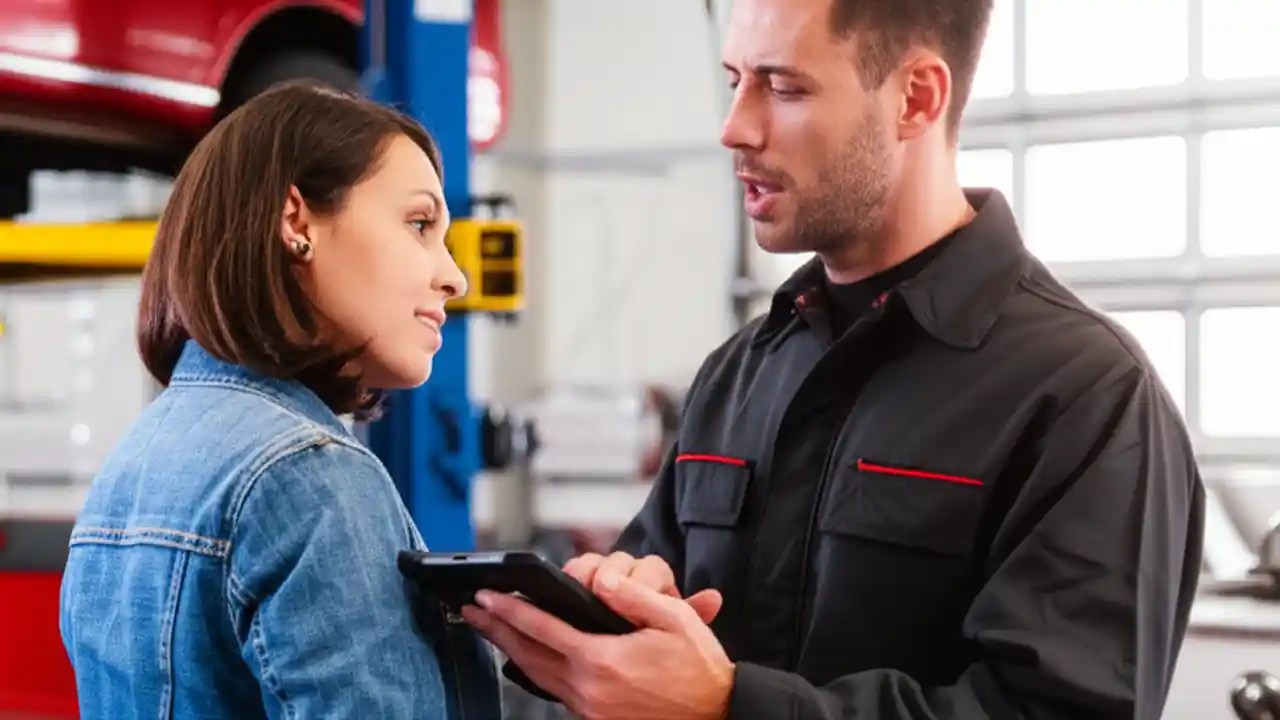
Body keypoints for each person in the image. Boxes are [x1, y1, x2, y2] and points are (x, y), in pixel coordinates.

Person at [462, 0, 1206, 718]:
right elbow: (660, 615)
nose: (735, 128)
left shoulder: (1086, 397)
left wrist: (728, 708)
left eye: (783, 88)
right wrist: (616, 603)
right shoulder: (741, 372)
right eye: (735, 82)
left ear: (916, 98)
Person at [59, 81, 501, 719]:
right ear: (297, 222)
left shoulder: (135, 460)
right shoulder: (309, 476)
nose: (453, 276)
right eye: (419, 224)